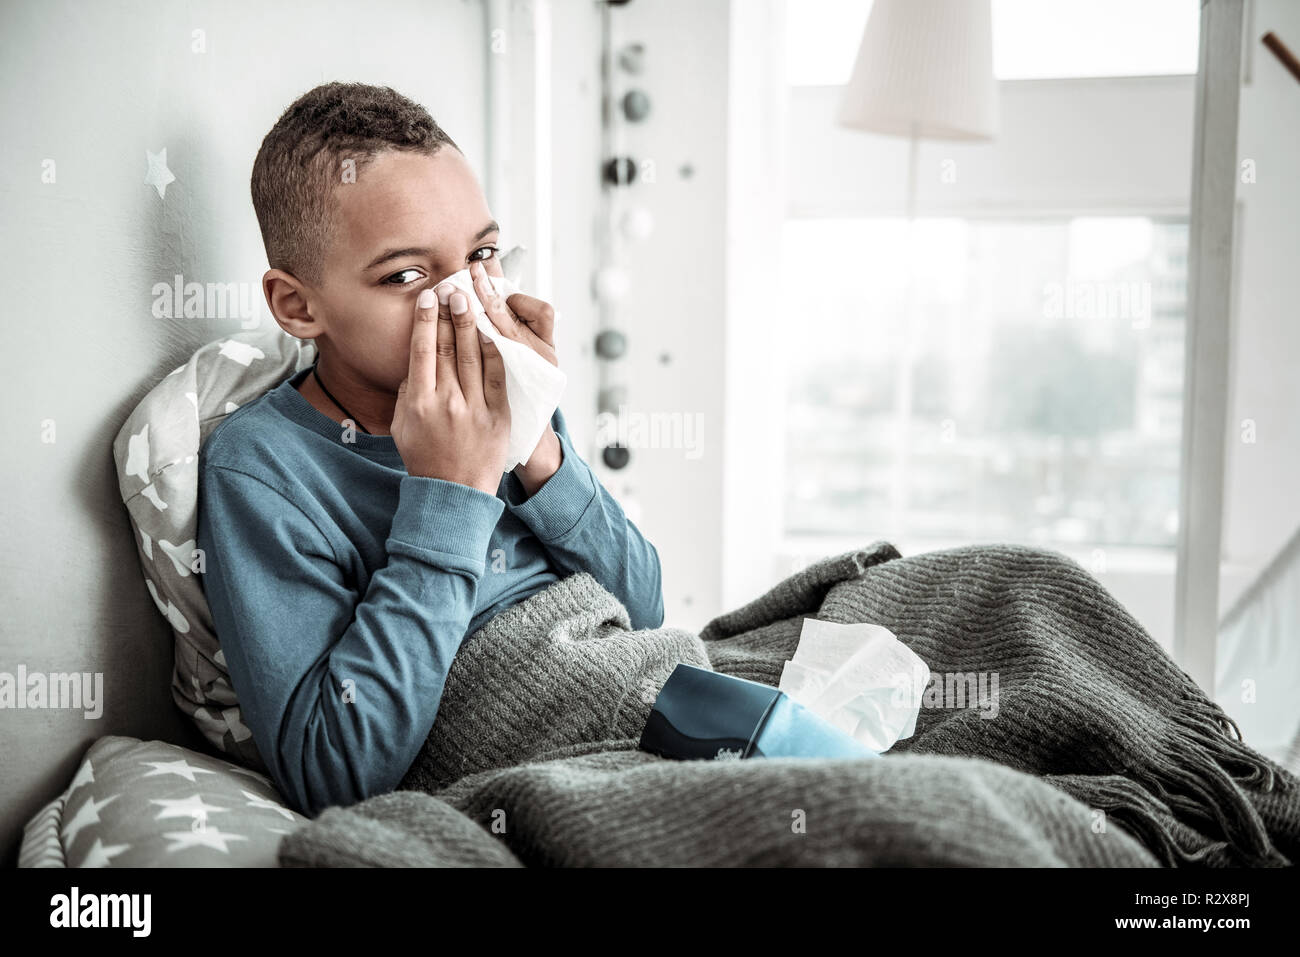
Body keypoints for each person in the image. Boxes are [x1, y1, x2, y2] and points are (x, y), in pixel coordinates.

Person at [196, 82, 664, 818]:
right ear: (298, 306)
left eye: (482, 253)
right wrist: (453, 490)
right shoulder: (263, 468)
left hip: (649, 686)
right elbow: (335, 770)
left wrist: (538, 446)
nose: (466, 300)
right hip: (544, 759)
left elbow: (645, 606)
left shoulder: (502, 385)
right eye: (408, 276)